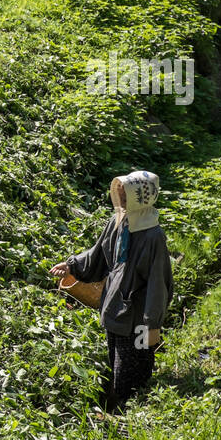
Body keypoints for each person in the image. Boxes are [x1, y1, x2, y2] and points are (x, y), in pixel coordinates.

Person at [50, 170, 174, 412]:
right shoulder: (117, 223)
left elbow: (158, 282)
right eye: (121, 197)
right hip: (115, 308)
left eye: (127, 197)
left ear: (141, 199)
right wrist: (71, 266)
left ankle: (133, 412)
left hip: (139, 317)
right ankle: (120, 408)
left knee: (136, 365)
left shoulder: (153, 236)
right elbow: (97, 256)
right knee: (117, 364)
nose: (122, 203)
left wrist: (152, 323)